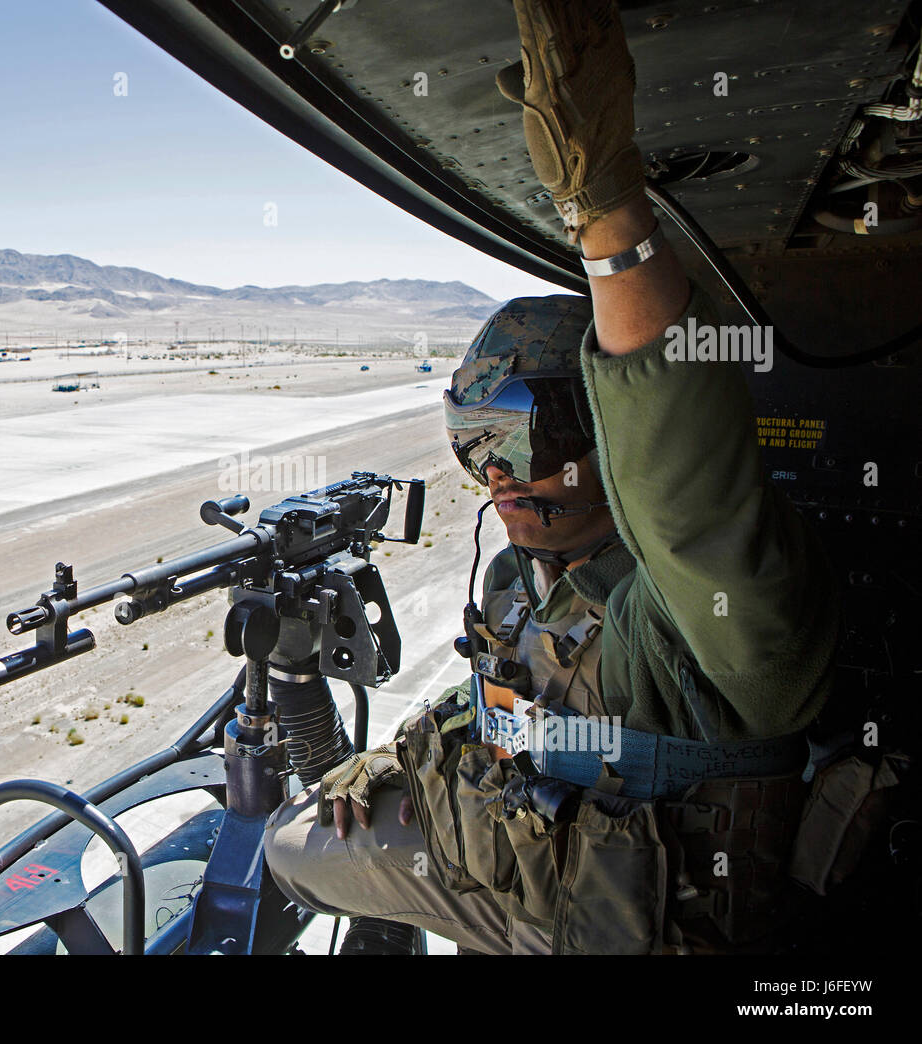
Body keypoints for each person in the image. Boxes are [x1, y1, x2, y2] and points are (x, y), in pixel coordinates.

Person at [263, 0, 839, 954]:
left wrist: (608, 213)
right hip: (527, 868)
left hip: (629, 917)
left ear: (609, 436)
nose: (499, 475)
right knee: (293, 845)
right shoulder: (525, 580)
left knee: (287, 851)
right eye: (474, 439)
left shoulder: (698, 607)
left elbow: (682, 491)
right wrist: (405, 755)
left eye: (529, 433)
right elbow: (512, 700)